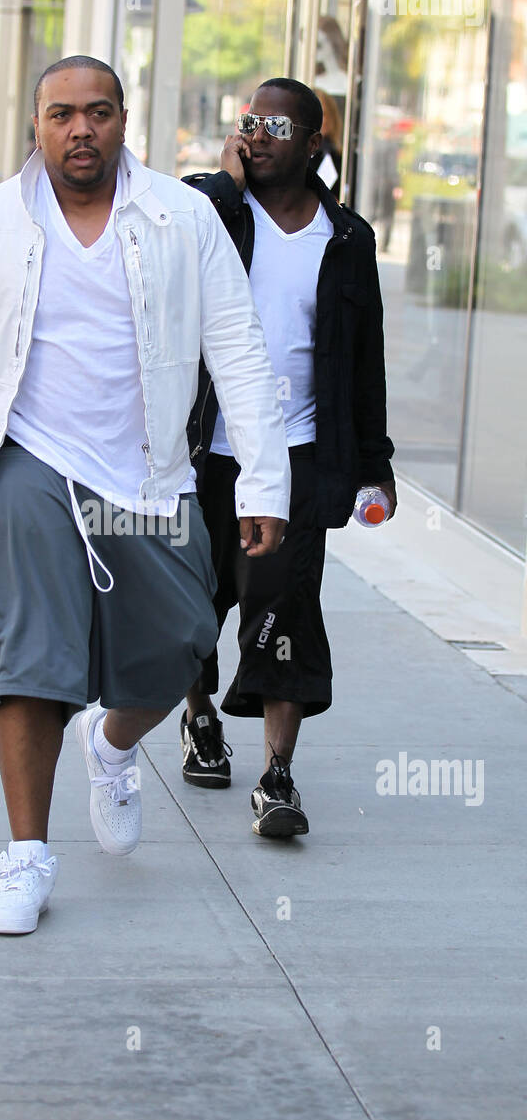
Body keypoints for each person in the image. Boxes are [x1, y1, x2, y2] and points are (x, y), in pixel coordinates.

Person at [0, 55, 290, 935]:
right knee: (23, 658)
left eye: (97, 113)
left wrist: (266, 482)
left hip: (143, 478)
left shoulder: (181, 220)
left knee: (182, 646)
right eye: (62, 114)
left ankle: (109, 744)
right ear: (35, 123)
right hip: (21, 464)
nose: (80, 130)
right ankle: (26, 856)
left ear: (122, 120)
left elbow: (240, 350)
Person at [180, 77, 396, 839]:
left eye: (277, 124)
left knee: (285, 609)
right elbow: (174, 225)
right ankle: (198, 713)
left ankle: (277, 777)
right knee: (194, 603)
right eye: (248, 122)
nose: (258, 133)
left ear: (313, 143)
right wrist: (227, 180)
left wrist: (375, 463)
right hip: (208, 452)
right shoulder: (215, 217)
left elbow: (362, 361)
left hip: (302, 457)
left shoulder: (346, 240)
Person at [309, 88, 343, 198]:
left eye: (325, 114)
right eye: (318, 114)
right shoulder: (298, 156)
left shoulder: (339, 156)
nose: (324, 120)